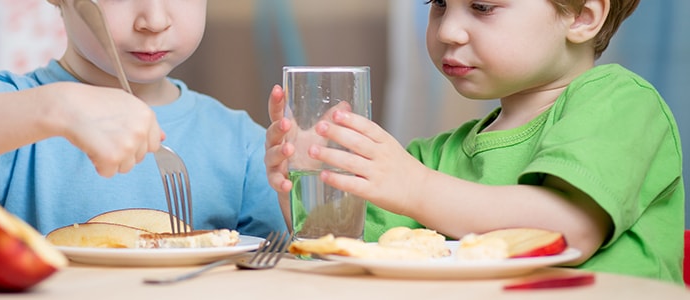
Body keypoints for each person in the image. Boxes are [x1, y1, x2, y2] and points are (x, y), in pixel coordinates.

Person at [265, 0, 683, 283]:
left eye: (482, 6)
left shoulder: (621, 102)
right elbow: (339, 248)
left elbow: (569, 230)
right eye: (438, 3)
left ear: (582, 17)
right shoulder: (433, 157)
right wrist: (301, 175)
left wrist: (417, 188)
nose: (448, 30)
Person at [0, 0, 286, 239]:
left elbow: (284, 267)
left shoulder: (242, 144)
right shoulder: (15, 111)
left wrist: (302, 195)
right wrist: (54, 108)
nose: (153, 20)